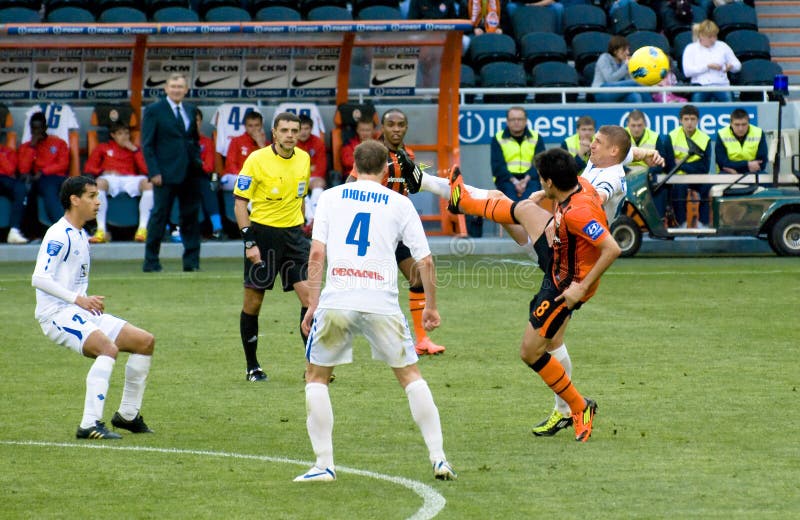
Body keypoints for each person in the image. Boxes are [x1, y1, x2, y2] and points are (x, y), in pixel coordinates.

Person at [295, 139, 456, 482]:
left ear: (352, 167)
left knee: (317, 377)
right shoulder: (399, 203)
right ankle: (439, 458)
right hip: (381, 303)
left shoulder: (330, 197)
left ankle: (324, 464)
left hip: (338, 300)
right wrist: (430, 306)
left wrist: (312, 303)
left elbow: (316, 256)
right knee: (411, 377)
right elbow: (425, 260)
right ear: (387, 170)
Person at [449, 148, 622, 443]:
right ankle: (463, 202)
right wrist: (541, 198)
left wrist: (578, 290)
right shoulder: (582, 186)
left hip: (564, 284)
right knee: (523, 208)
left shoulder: (579, 213)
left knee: (530, 352)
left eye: (542, 182)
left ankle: (580, 408)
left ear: (551, 182)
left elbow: (612, 248)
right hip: (559, 251)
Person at [31, 176, 155, 439]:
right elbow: (39, 278)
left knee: (145, 341)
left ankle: (127, 416)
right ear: (74, 200)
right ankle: (89, 424)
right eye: (91, 196)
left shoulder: (80, 234)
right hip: (55, 314)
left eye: (97, 196)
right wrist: (78, 299)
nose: (98, 202)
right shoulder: (58, 234)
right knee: (107, 349)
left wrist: (83, 303)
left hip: (78, 311)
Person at [348, 108, 447, 356]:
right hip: (374, 231)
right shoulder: (373, 155)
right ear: (382, 127)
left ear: (406, 128)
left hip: (397, 229)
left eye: (400, 125)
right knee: (368, 288)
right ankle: (340, 337)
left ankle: (421, 340)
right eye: (390, 125)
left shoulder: (407, 155)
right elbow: (351, 185)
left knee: (417, 277)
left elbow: (411, 187)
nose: (395, 129)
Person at [233, 112, 312, 382]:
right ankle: (252, 366)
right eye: (285, 130)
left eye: (295, 130)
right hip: (263, 237)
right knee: (253, 304)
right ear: (274, 133)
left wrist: (303, 229)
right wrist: (249, 242)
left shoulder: (304, 158)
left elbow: (301, 196)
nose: (290, 135)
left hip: (294, 237)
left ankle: (312, 366)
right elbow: (240, 203)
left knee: (310, 300)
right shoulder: (256, 160)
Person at [141, 72, 203, 273]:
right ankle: (151, 261)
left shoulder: (191, 110)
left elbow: (193, 139)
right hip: (164, 174)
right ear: (166, 88)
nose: (177, 90)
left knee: (191, 218)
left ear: (186, 90)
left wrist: (197, 162)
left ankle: (192, 262)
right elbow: (147, 144)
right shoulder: (154, 110)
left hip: (190, 173)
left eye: (180, 87)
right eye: (173, 86)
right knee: (159, 216)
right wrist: (154, 172)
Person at [84, 121, 151, 244]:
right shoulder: (103, 147)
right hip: (111, 179)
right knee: (99, 183)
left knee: (149, 184)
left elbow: (147, 169)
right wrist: (104, 171)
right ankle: (101, 230)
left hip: (131, 179)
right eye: (120, 134)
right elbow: (89, 167)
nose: (124, 137)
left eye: (126, 133)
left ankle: (142, 229)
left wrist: (134, 150)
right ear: (113, 135)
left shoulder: (135, 149)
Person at [18, 112, 70, 225]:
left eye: (39, 128)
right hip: (40, 181)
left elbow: (63, 164)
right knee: (46, 188)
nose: (36, 132)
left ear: (45, 128)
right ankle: (63, 226)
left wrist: (43, 171)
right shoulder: (26, 147)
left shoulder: (59, 143)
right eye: (33, 129)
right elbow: (23, 170)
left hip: (59, 177)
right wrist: (32, 146)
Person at [668, 104, 712, 228]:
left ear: (697, 121)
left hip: (698, 177)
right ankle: (681, 223)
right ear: (680, 120)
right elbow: (670, 164)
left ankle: (703, 224)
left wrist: (681, 164)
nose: (689, 123)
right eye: (686, 119)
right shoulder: (671, 136)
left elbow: (704, 168)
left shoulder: (705, 139)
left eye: (693, 119)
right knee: (679, 188)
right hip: (678, 178)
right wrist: (692, 165)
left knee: (707, 187)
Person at [626, 109, 675, 218]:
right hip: (626, 175)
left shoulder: (655, 137)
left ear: (645, 124)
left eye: (639, 125)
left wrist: (649, 172)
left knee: (660, 186)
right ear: (627, 124)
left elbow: (661, 162)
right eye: (633, 125)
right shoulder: (621, 137)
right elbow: (615, 160)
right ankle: (618, 222)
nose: (636, 129)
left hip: (648, 176)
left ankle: (659, 221)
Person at [491, 106, 545, 202]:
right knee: (511, 206)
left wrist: (526, 180)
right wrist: (514, 181)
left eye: (520, 119)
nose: (516, 122)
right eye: (513, 119)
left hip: (530, 178)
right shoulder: (498, 138)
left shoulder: (536, 137)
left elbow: (540, 163)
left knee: (529, 203)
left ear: (525, 121)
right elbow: (497, 166)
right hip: (507, 179)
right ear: (507, 121)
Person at [682, 20, 741, 103]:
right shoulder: (691, 48)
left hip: (722, 86)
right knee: (696, 108)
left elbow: (737, 65)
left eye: (715, 36)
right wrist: (707, 66)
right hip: (700, 87)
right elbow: (687, 72)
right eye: (710, 37)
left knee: (729, 106)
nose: (713, 39)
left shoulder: (722, 46)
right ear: (701, 35)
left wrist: (731, 66)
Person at [195, 108, 225, 241]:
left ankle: (217, 228)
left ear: (200, 122)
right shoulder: (178, 141)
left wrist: (193, 163)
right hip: (181, 178)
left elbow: (208, 166)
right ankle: (174, 228)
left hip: (201, 177)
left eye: (196, 120)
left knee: (207, 186)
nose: (193, 123)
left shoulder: (206, 141)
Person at [592, 35, 649, 104]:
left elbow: (628, 81)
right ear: (615, 50)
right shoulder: (604, 58)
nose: (628, 53)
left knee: (635, 96)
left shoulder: (623, 62)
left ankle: (639, 113)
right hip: (602, 92)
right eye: (624, 50)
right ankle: (653, 110)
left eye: (628, 49)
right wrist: (626, 66)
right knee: (636, 83)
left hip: (620, 92)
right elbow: (610, 79)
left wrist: (632, 68)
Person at [295, 114, 328, 233]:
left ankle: (314, 221)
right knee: (299, 185)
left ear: (311, 128)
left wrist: (306, 171)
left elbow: (321, 168)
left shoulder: (318, 142)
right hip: (296, 180)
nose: (303, 132)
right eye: (300, 129)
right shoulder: (290, 142)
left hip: (313, 178)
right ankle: (311, 220)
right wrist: (310, 169)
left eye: (306, 129)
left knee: (319, 183)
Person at [715, 108, 768, 174]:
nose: (740, 128)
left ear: (748, 123)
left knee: (766, 180)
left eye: (744, 124)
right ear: (731, 124)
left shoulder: (758, 133)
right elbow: (722, 163)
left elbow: (762, 162)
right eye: (737, 125)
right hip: (729, 173)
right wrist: (747, 164)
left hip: (752, 172)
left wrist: (739, 170)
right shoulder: (722, 134)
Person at [224, 110, 268, 191]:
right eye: (250, 126)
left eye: (257, 125)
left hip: (257, 180)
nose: (254, 129)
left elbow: (270, 168)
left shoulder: (267, 145)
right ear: (245, 126)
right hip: (235, 177)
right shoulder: (236, 141)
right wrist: (245, 176)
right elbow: (230, 165)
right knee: (243, 182)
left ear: (261, 126)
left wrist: (261, 145)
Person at [0, 141, 29, 244]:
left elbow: (10, 170)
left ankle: (14, 231)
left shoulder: (7, 151)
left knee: (20, 188)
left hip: (5, 179)